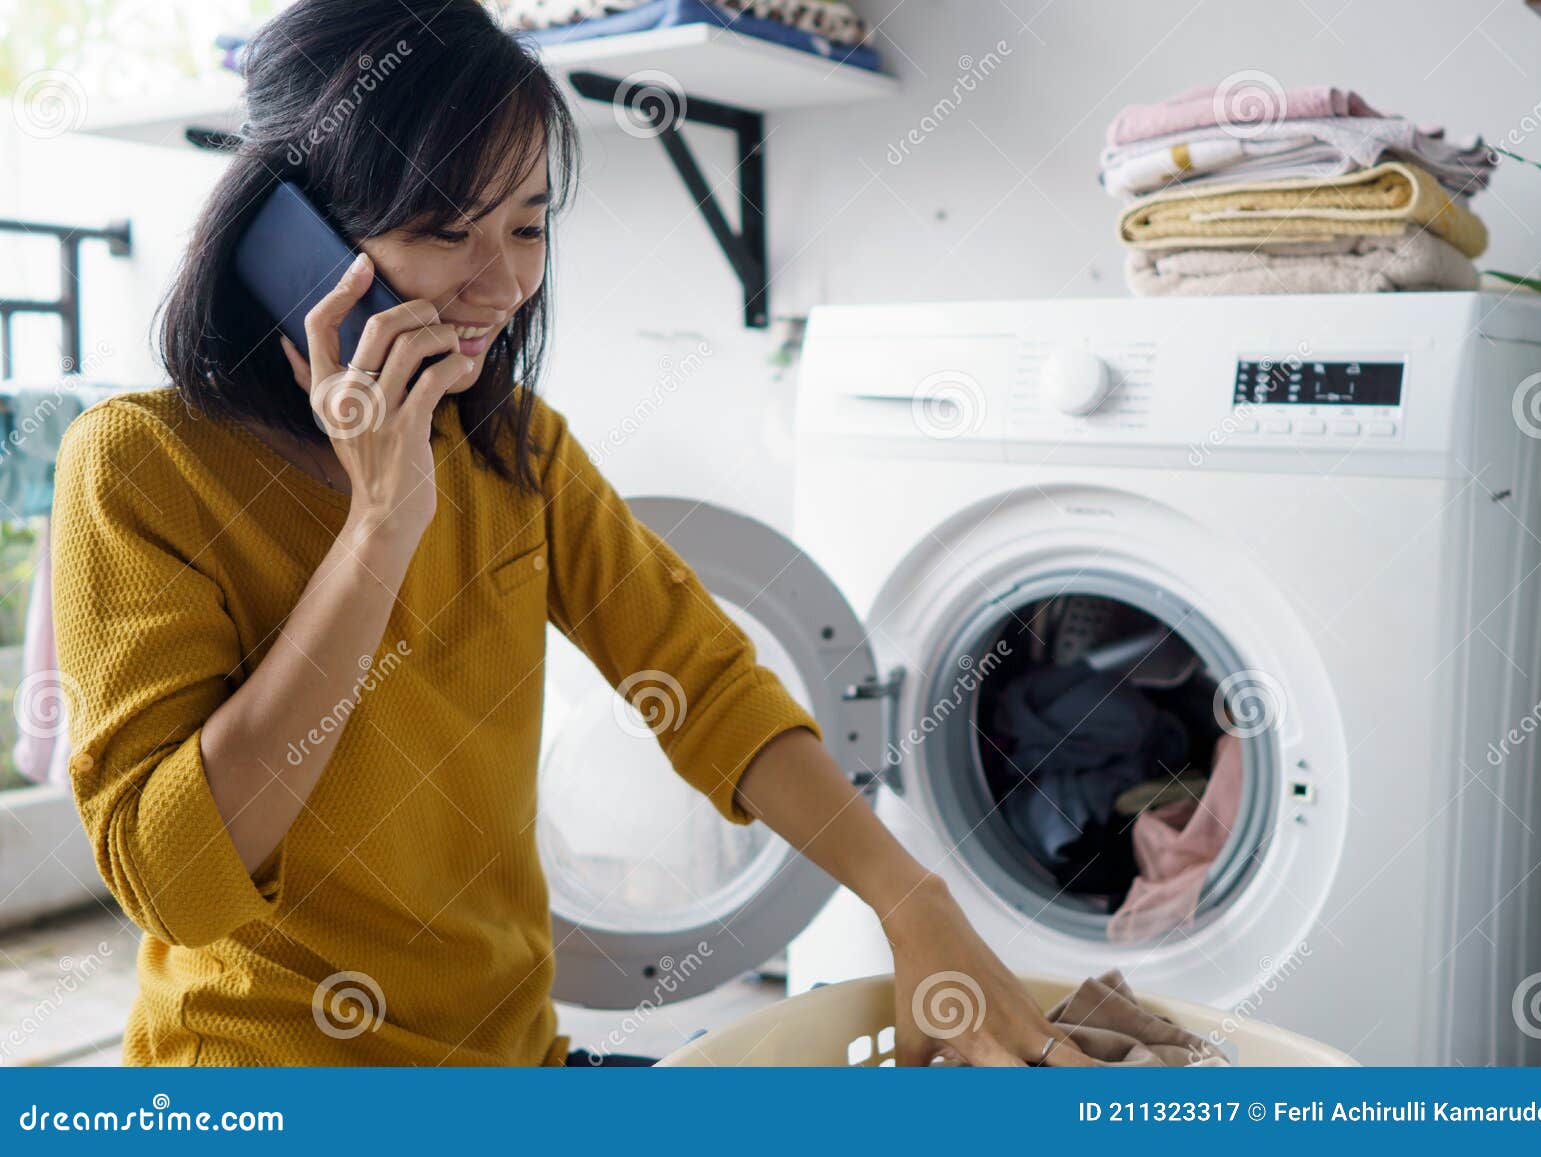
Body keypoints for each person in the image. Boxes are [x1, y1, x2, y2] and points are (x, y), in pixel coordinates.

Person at [50, 0, 1089, 1069]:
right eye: (444, 230)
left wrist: (912, 898)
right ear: (291, 241)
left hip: (520, 1066)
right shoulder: (139, 466)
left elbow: (706, 682)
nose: (503, 284)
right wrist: (380, 528)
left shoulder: (514, 447)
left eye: (527, 226)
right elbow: (172, 881)